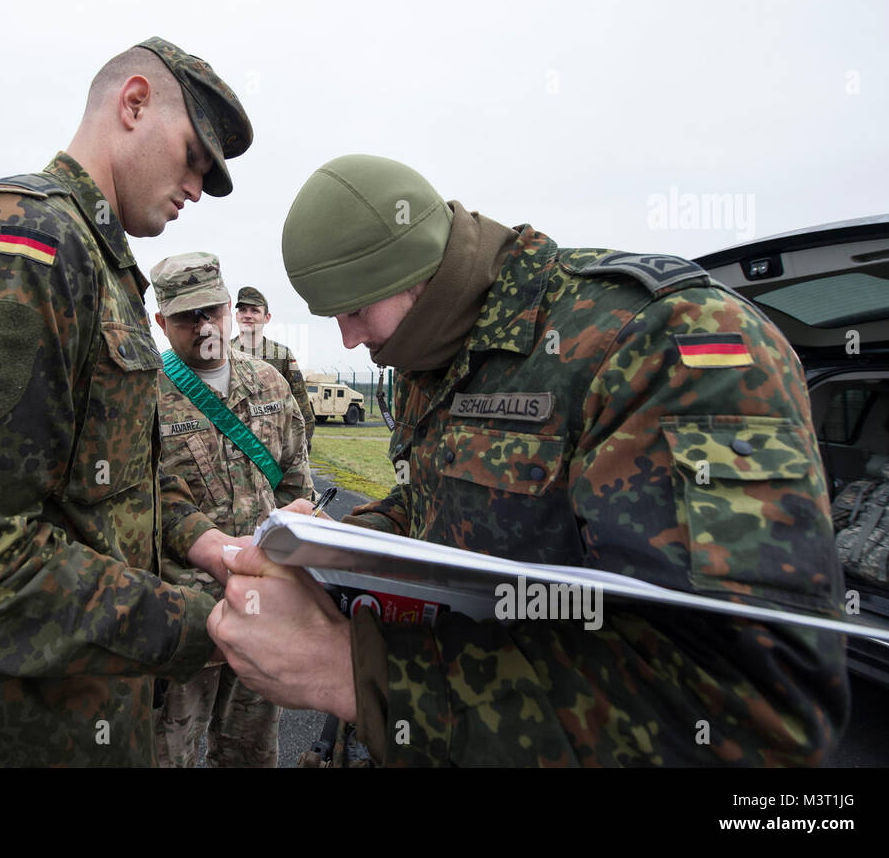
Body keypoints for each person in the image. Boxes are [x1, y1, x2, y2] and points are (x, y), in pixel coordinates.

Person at [207, 154, 850, 767]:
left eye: (353, 310)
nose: (349, 338)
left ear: (413, 269)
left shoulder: (665, 339)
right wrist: (334, 546)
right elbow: (437, 500)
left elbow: (754, 716)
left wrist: (353, 672)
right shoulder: (425, 351)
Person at [0, 37, 252, 767]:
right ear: (133, 104)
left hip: (80, 719)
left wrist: (214, 546)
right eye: (194, 156)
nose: (197, 188)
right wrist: (215, 626)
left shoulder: (97, 262)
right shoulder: (19, 250)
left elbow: (112, 480)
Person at [148, 252, 314, 767]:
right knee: (167, 751)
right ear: (160, 321)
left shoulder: (268, 382)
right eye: (185, 317)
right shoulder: (144, 392)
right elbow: (137, 508)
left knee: (250, 750)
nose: (203, 326)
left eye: (212, 311)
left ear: (227, 306)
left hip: (264, 608)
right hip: (185, 617)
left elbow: (293, 483)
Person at [230, 286, 315, 450]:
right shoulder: (223, 353)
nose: (248, 315)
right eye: (243, 310)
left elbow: (300, 401)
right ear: (236, 316)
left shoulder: (281, 355)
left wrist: (303, 443)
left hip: (270, 444)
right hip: (233, 442)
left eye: (255, 311)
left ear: (266, 317)